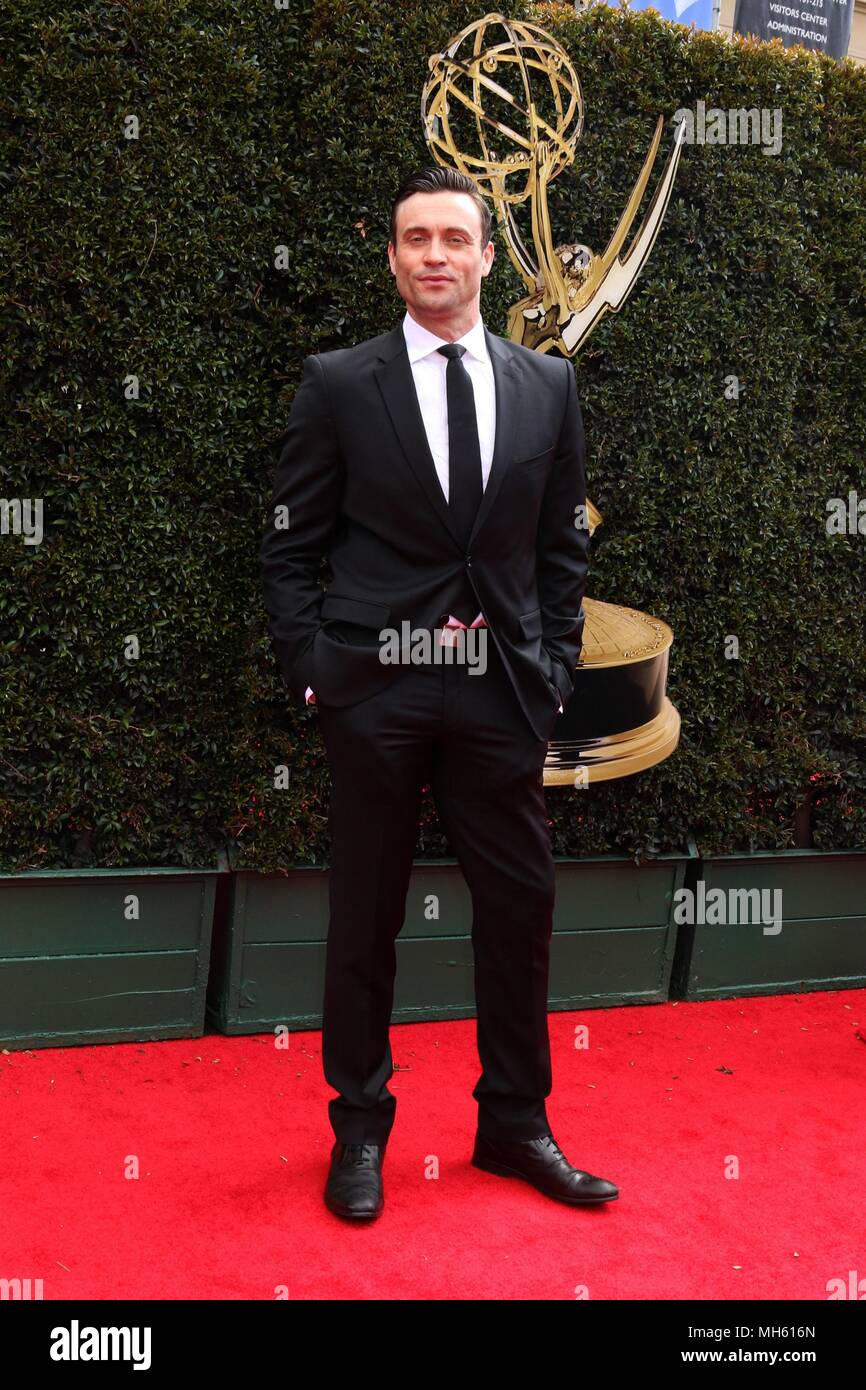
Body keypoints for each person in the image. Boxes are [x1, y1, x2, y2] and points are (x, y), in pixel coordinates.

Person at [260, 165, 618, 1220]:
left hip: (501, 693)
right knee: (365, 913)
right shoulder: (337, 383)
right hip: (378, 690)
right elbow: (289, 547)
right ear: (393, 256)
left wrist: (549, 669)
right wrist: (315, 670)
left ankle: (514, 1123)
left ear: (483, 255)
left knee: (521, 904)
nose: (432, 256)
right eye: (414, 238)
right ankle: (358, 1128)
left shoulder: (545, 385)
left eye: (451, 239)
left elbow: (561, 545)